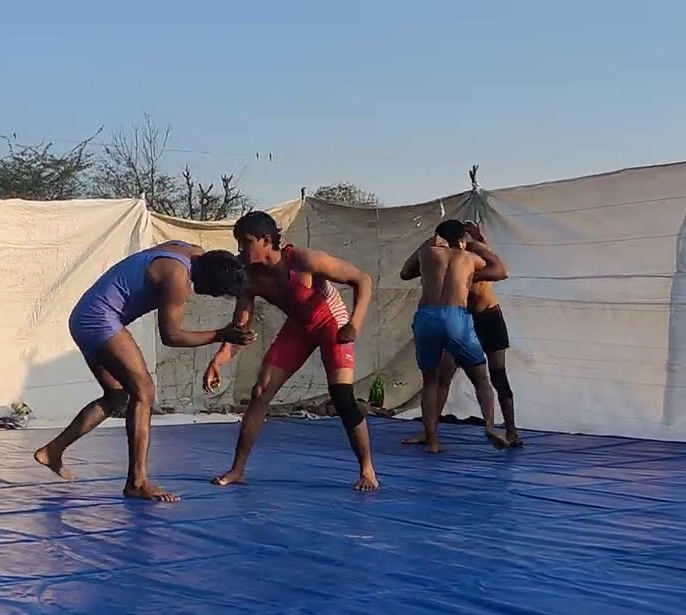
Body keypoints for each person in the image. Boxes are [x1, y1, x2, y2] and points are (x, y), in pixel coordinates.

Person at [33, 241, 254, 502]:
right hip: (99, 319)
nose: (208, 296)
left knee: (117, 397)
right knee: (144, 392)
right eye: (214, 293)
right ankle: (136, 483)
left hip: (85, 315)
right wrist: (220, 334)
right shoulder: (178, 279)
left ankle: (53, 450)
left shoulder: (190, 250)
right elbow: (171, 336)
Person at [204, 210, 380, 492]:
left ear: (266, 240)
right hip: (299, 327)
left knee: (342, 396)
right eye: (238, 243)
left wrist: (354, 325)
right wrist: (219, 360)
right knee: (260, 392)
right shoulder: (247, 277)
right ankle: (237, 470)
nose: (241, 250)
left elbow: (363, 280)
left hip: (330, 320)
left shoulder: (303, 260)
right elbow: (239, 327)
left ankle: (367, 469)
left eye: (246, 242)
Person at [401, 220, 521, 447]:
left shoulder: (470, 251)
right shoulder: (444, 255)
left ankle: (511, 431)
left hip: (485, 316)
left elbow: (499, 270)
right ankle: (430, 431)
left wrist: (475, 243)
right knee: (443, 375)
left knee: (496, 374)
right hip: (459, 316)